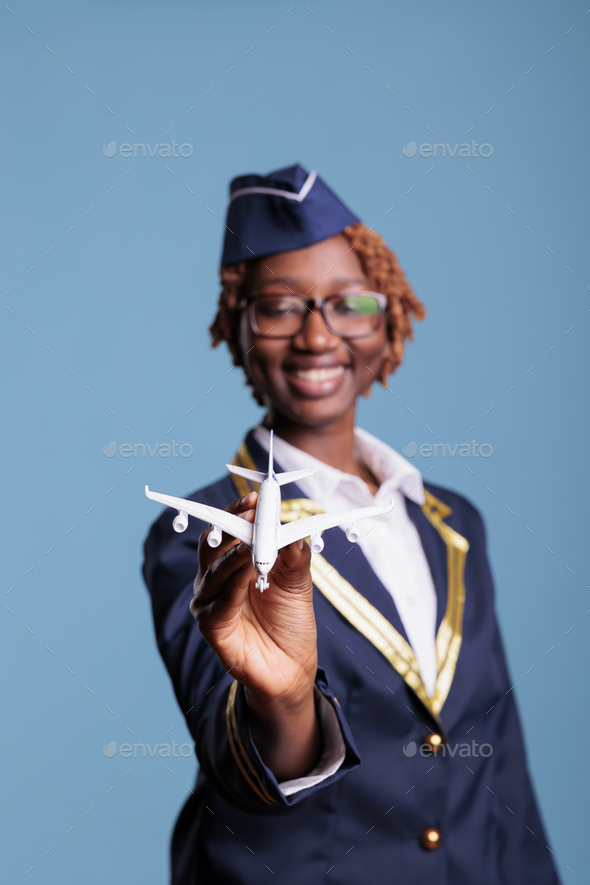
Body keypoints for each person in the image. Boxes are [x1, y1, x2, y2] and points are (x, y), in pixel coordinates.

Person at [142, 164, 560, 884]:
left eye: (350, 303)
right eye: (278, 306)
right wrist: (284, 695)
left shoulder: (453, 522)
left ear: (391, 316)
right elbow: (235, 754)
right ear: (236, 325)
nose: (317, 335)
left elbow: (500, 757)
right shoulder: (202, 533)